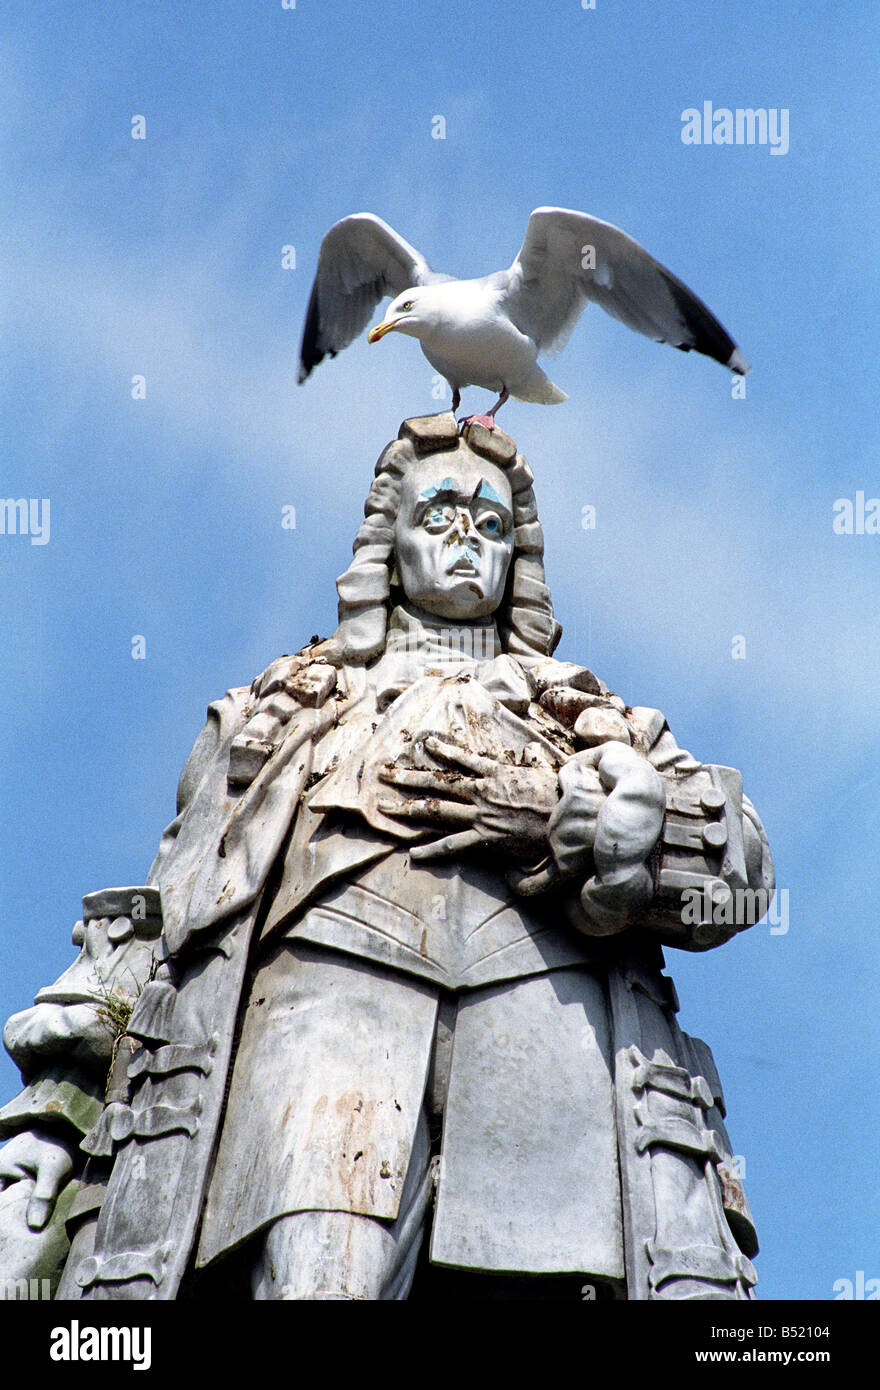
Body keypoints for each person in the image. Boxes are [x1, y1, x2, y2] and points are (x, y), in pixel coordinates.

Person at [0, 414, 773, 1300]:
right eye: (439, 512)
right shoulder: (272, 712)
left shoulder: (600, 726)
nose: (465, 540)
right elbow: (163, 918)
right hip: (320, 1026)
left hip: (555, 1044)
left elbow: (741, 875)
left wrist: (599, 821)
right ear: (388, 540)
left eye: (489, 525)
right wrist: (53, 1119)